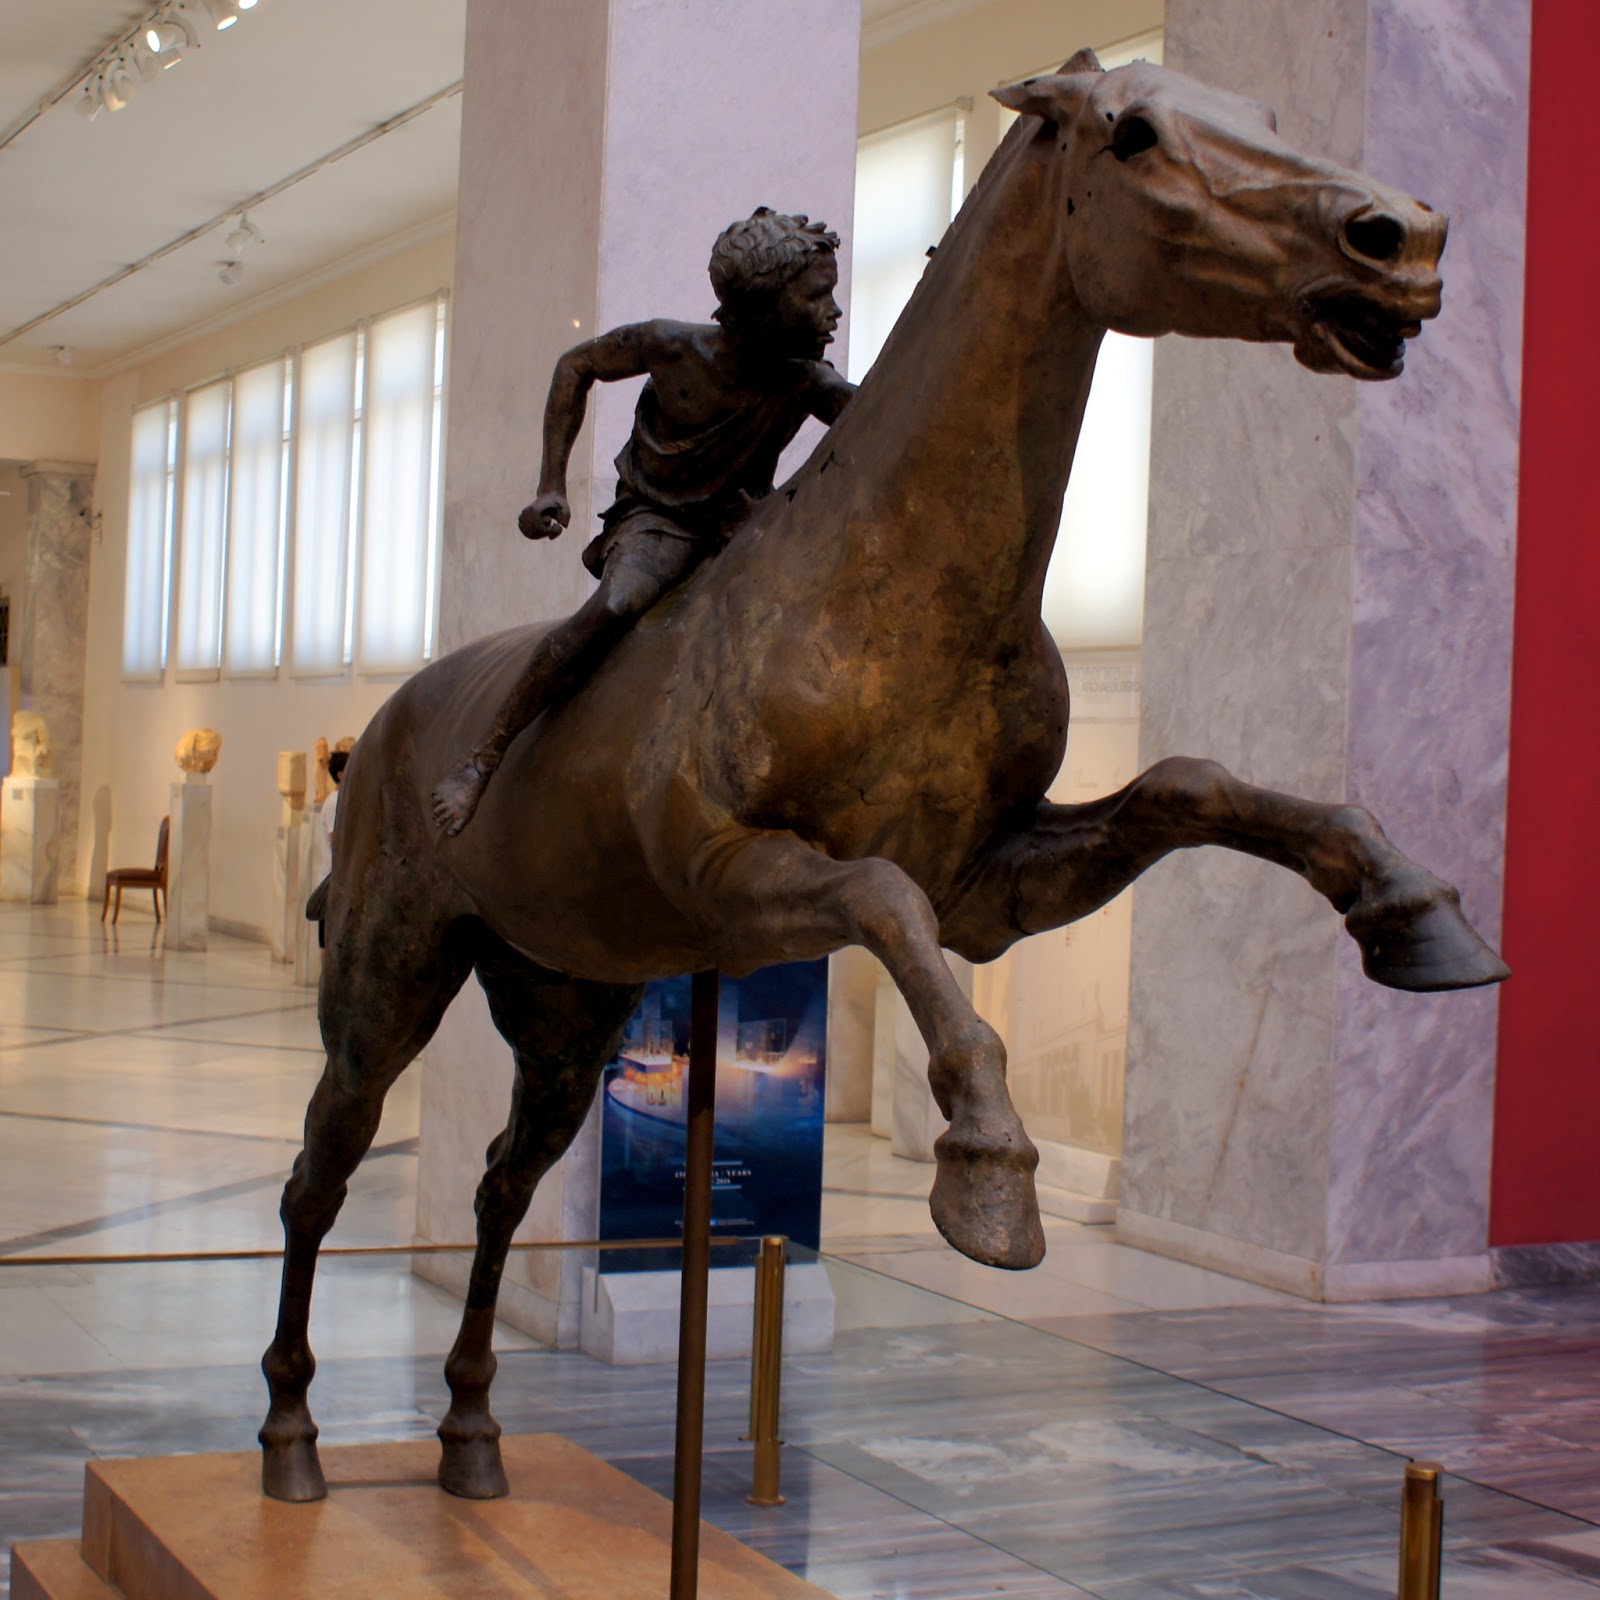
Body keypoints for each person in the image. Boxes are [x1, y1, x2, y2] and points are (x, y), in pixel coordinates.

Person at [430, 206, 856, 837]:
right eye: (817, 296)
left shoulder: (807, 382)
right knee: (612, 609)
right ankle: (482, 760)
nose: (834, 313)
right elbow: (577, 365)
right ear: (764, 305)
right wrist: (552, 484)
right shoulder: (671, 346)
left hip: (744, 527)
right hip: (661, 521)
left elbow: (875, 426)